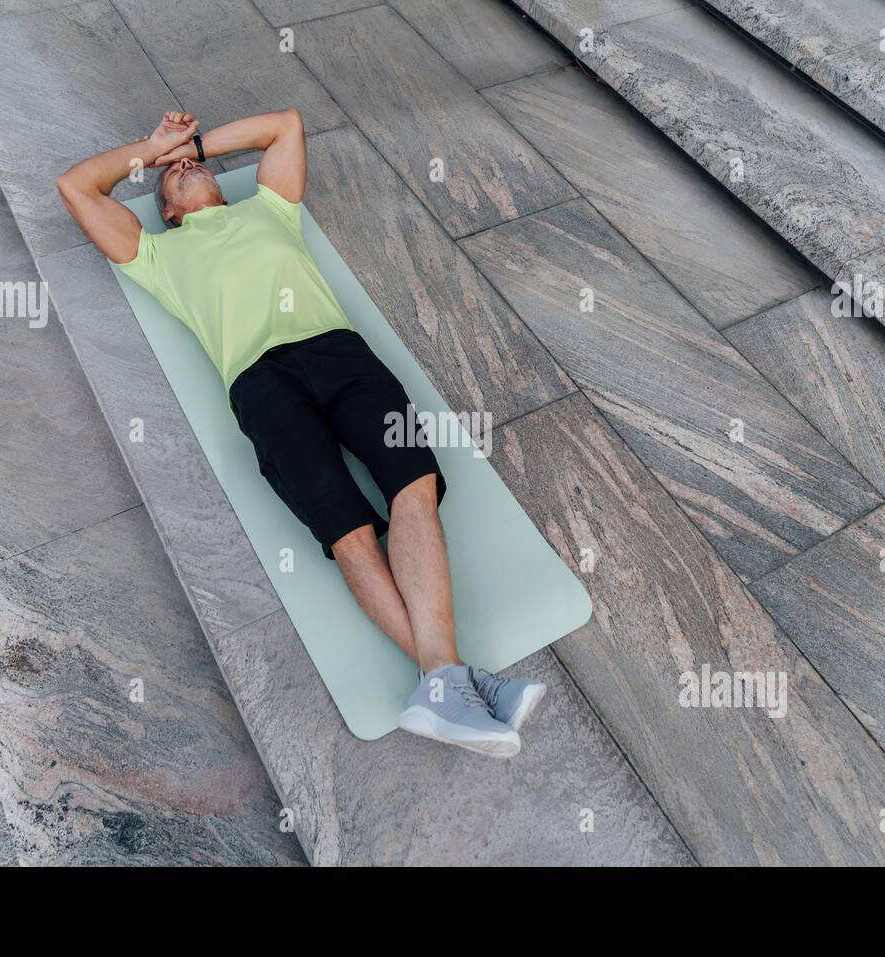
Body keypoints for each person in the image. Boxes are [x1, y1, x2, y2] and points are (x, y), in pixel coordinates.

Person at [55, 109, 545, 756]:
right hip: (261, 386)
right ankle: (456, 679)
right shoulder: (155, 254)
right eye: (169, 179)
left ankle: (444, 680)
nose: (183, 168)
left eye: (193, 164)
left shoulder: (270, 209)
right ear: (167, 213)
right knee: (347, 529)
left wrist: (191, 143)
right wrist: (152, 148)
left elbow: (285, 124)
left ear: (218, 183)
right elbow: (76, 186)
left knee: (415, 484)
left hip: (344, 356)